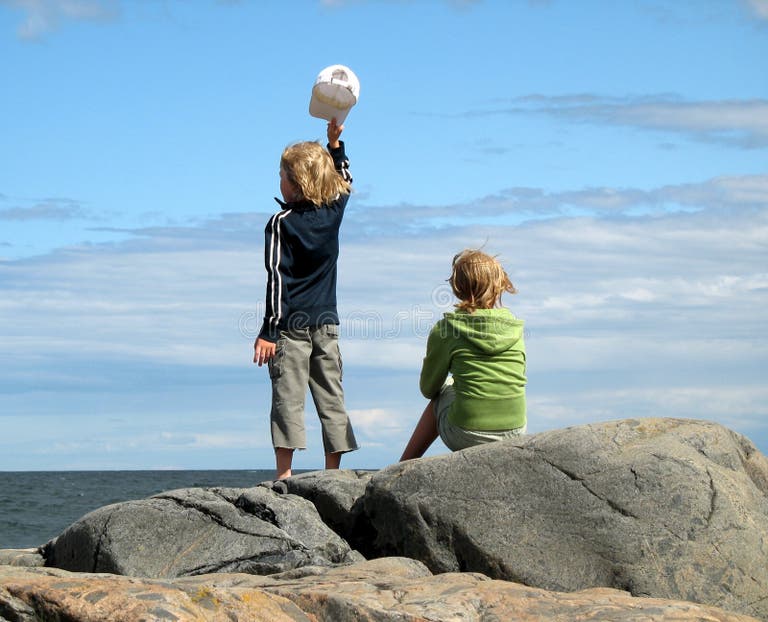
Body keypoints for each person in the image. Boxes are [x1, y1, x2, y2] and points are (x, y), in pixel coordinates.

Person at [254, 118, 358, 480]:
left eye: (282, 175)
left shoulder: (281, 223)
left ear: (296, 185)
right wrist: (335, 146)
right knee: (331, 395)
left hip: (291, 327)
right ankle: (333, 474)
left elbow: (276, 280)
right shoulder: (334, 212)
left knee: (287, 397)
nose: (278, 181)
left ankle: (284, 475)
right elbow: (345, 180)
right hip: (327, 324)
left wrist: (269, 331)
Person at [400, 249, 527, 461]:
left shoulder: (447, 329)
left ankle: (404, 464)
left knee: (442, 392)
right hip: (515, 432)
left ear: (457, 286)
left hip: (466, 433)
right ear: (499, 285)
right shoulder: (515, 327)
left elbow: (428, 389)